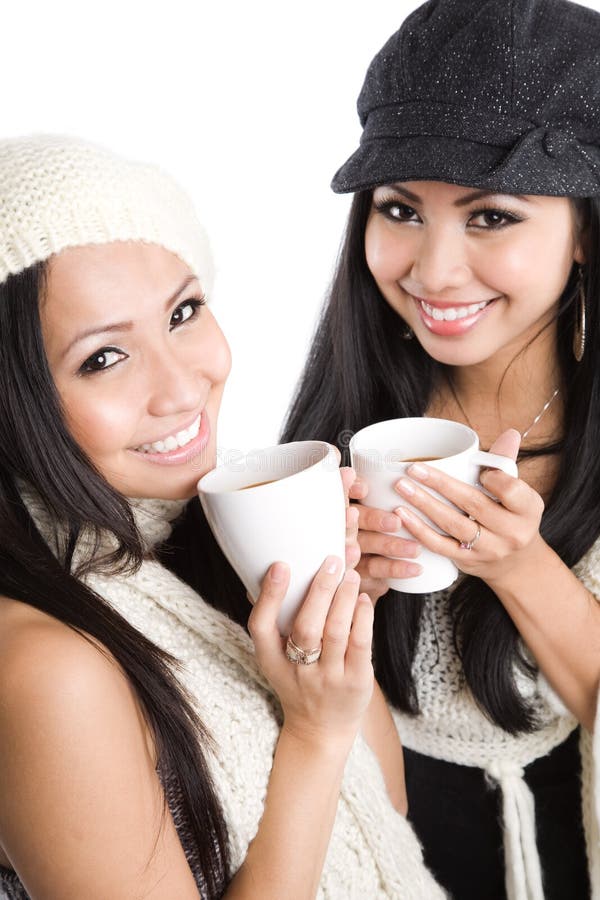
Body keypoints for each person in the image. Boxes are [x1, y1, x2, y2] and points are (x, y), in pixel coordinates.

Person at [0, 135, 443, 899]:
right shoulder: (46, 670)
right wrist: (312, 735)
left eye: (183, 312)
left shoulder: (202, 531)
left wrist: (335, 614)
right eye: (103, 358)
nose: (183, 387)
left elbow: (381, 826)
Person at [281, 0, 600, 897]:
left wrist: (519, 565)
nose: (432, 270)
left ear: (585, 231)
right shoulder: (336, 434)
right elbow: (329, 774)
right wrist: (335, 609)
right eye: (400, 210)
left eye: (490, 216)